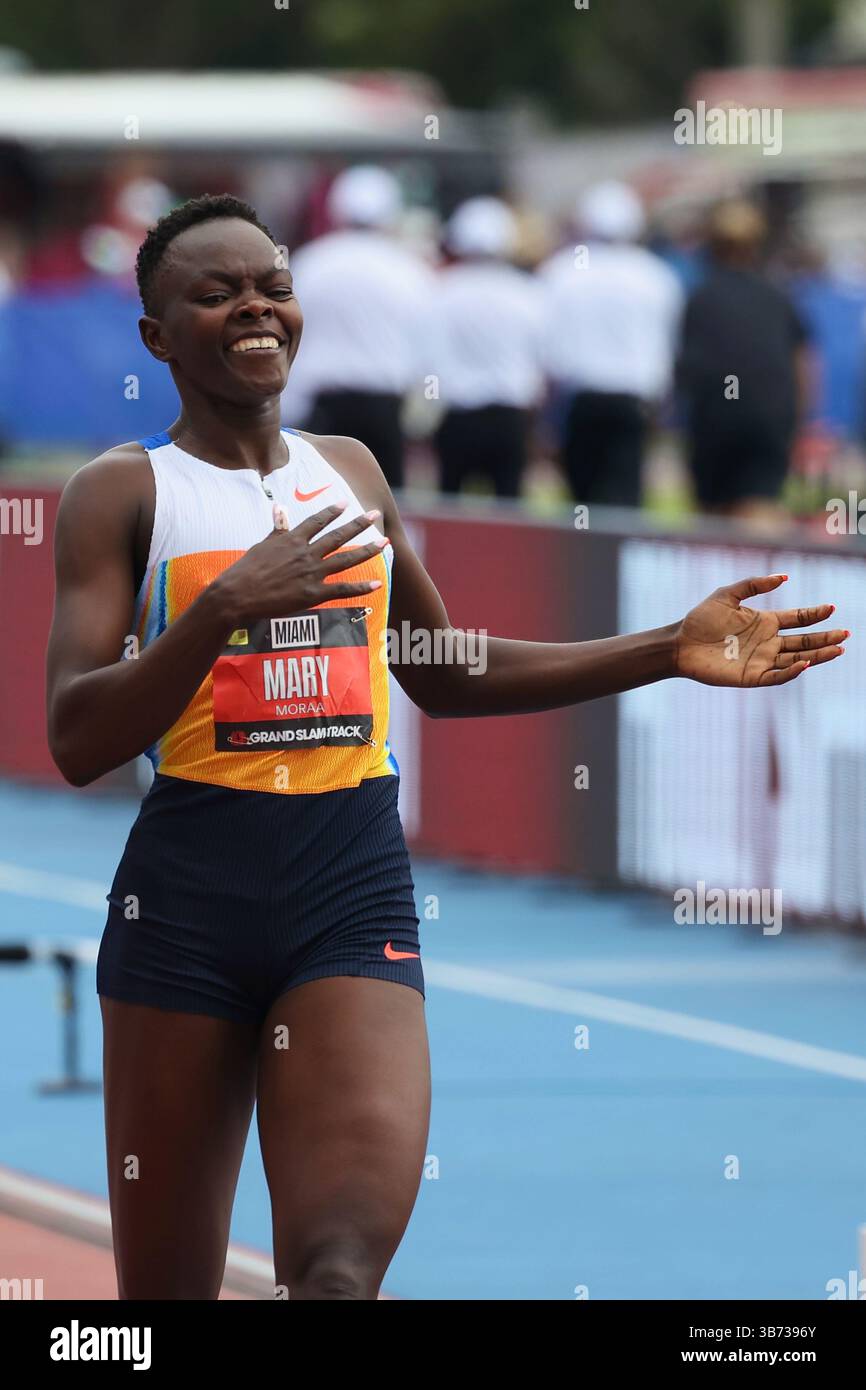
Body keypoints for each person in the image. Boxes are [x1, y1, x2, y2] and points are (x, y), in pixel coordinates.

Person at [45, 193, 847, 1300]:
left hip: (348, 886)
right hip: (183, 902)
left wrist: (664, 646)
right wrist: (219, 609)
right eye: (215, 293)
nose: (255, 309)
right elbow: (77, 738)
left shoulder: (354, 473)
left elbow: (440, 665)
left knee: (338, 1275)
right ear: (155, 335)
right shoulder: (122, 493)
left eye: (272, 286)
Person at [282, 165, 434, 489]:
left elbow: (289, 337)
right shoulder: (409, 269)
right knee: (386, 513)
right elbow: (425, 344)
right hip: (385, 410)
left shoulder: (312, 262)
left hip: (325, 409)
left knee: (319, 505)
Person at [538, 180, 683, 507]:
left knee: (582, 501)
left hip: (582, 401)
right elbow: (668, 352)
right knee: (625, 501)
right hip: (633, 404)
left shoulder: (561, 272)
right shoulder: (657, 277)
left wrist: (544, 420)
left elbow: (546, 354)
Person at [677, 200, 811, 525]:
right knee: (761, 510)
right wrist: (798, 421)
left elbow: (686, 372)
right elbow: (803, 364)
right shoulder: (777, 296)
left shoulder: (701, 298)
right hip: (768, 419)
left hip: (716, 420)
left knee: (712, 519)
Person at [433, 196, 545, 498]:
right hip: (510, 419)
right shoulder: (527, 293)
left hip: (459, 417)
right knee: (509, 512)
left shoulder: (441, 290)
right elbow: (542, 359)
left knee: (449, 511)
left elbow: (426, 356)